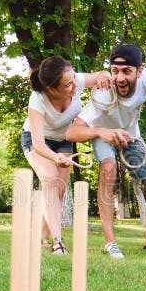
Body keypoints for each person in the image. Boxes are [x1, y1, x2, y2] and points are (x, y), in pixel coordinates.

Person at [65, 44, 146, 259]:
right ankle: (110, 243)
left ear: (139, 71)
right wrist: (101, 132)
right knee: (108, 169)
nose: (119, 78)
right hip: (103, 135)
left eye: (127, 71)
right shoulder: (103, 93)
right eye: (115, 71)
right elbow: (72, 132)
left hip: (130, 136)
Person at [22, 56, 113, 255]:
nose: (75, 87)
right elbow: (38, 143)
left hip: (63, 138)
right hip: (37, 141)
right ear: (51, 89)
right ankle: (58, 242)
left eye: (74, 80)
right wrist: (54, 158)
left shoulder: (75, 80)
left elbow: (99, 76)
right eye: (68, 85)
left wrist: (105, 75)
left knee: (60, 190)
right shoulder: (37, 99)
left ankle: (40, 238)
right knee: (51, 179)